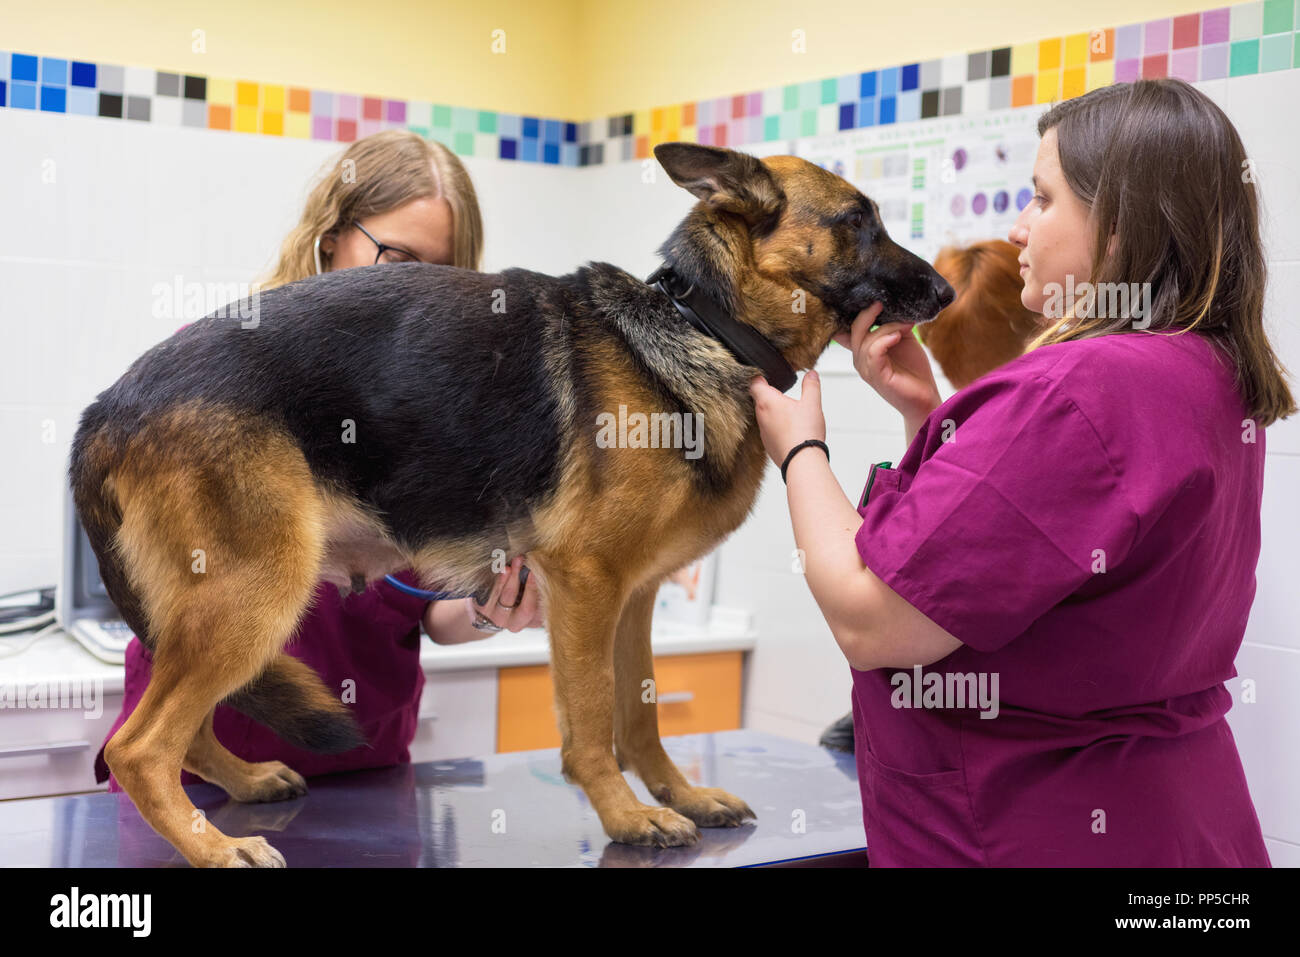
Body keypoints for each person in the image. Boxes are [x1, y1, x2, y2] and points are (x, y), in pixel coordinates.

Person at [750, 77, 1295, 866]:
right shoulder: (1202, 371)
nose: (1018, 229)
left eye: (1042, 200)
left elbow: (872, 623)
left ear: (1117, 221)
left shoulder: (1078, 388)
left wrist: (801, 450)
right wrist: (925, 415)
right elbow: (1021, 555)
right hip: (1187, 835)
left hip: (1038, 829)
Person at [95, 130, 543, 792]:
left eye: (442, 274)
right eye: (397, 258)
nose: (418, 291)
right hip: (201, 769)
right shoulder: (213, 376)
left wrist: (491, 608)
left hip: (365, 767)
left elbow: (432, 605)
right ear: (332, 234)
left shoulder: (437, 412)